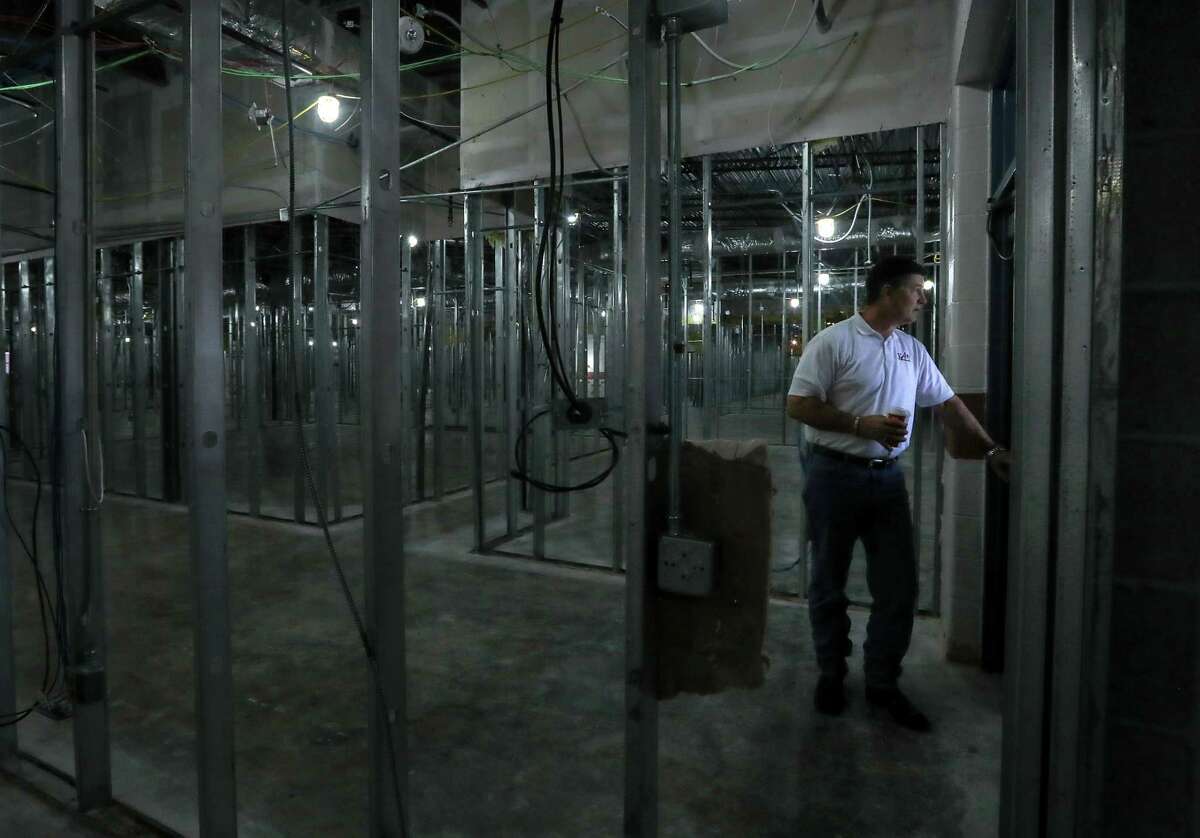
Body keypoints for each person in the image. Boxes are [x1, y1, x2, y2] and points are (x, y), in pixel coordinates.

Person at [786, 255, 1010, 732]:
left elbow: (947, 403)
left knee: (900, 587)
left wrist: (991, 450)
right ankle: (831, 672)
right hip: (834, 475)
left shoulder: (911, 350)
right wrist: (857, 423)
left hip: (887, 481)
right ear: (887, 291)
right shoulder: (834, 342)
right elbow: (798, 404)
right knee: (829, 578)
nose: (922, 299)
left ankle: (883, 681)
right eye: (915, 290)